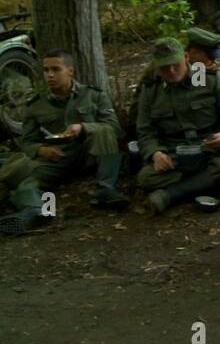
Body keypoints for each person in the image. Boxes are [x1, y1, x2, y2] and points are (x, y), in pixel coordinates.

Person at [0, 50, 129, 235]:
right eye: (46, 70)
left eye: (55, 69)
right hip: (55, 159)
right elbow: (28, 141)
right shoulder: (35, 105)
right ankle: (40, 211)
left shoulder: (92, 95)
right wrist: (41, 150)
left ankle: (105, 190)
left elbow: (114, 128)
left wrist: (83, 127)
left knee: (104, 130)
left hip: (88, 154)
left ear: (70, 71)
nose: (50, 75)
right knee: (27, 185)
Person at [135, 37, 220, 214]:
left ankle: (170, 195)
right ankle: (217, 183)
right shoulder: (151, 89)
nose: (172, 71)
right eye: (165, 67)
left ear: (187, 57)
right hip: (174, 154)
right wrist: (155, 153)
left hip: (210, 150)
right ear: (157, 66)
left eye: (176, 64)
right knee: (146, 178)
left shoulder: (205, 77)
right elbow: (145, 130)